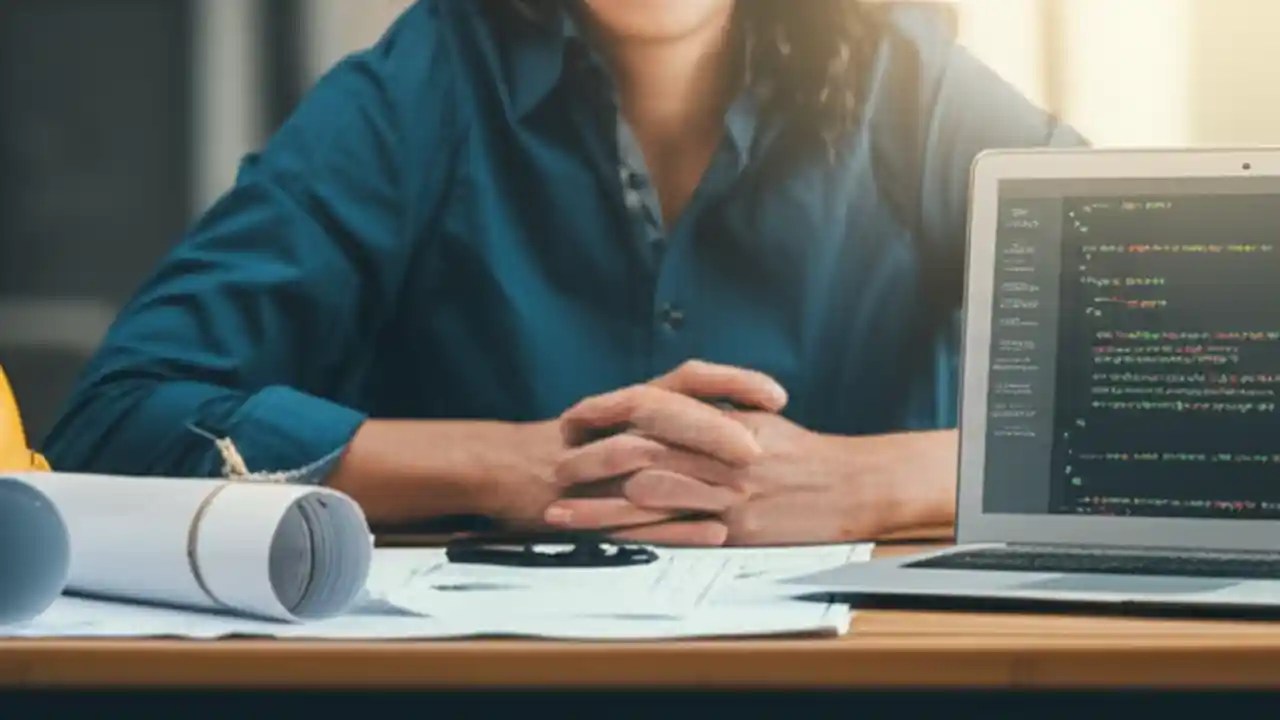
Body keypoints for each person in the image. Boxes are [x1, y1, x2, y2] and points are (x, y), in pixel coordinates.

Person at [44, 0, 1083, 546]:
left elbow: (1196, 405)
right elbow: (117, 418)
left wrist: (860, 484)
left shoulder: (910, 83)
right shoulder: (425, 82)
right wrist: (510, 468)